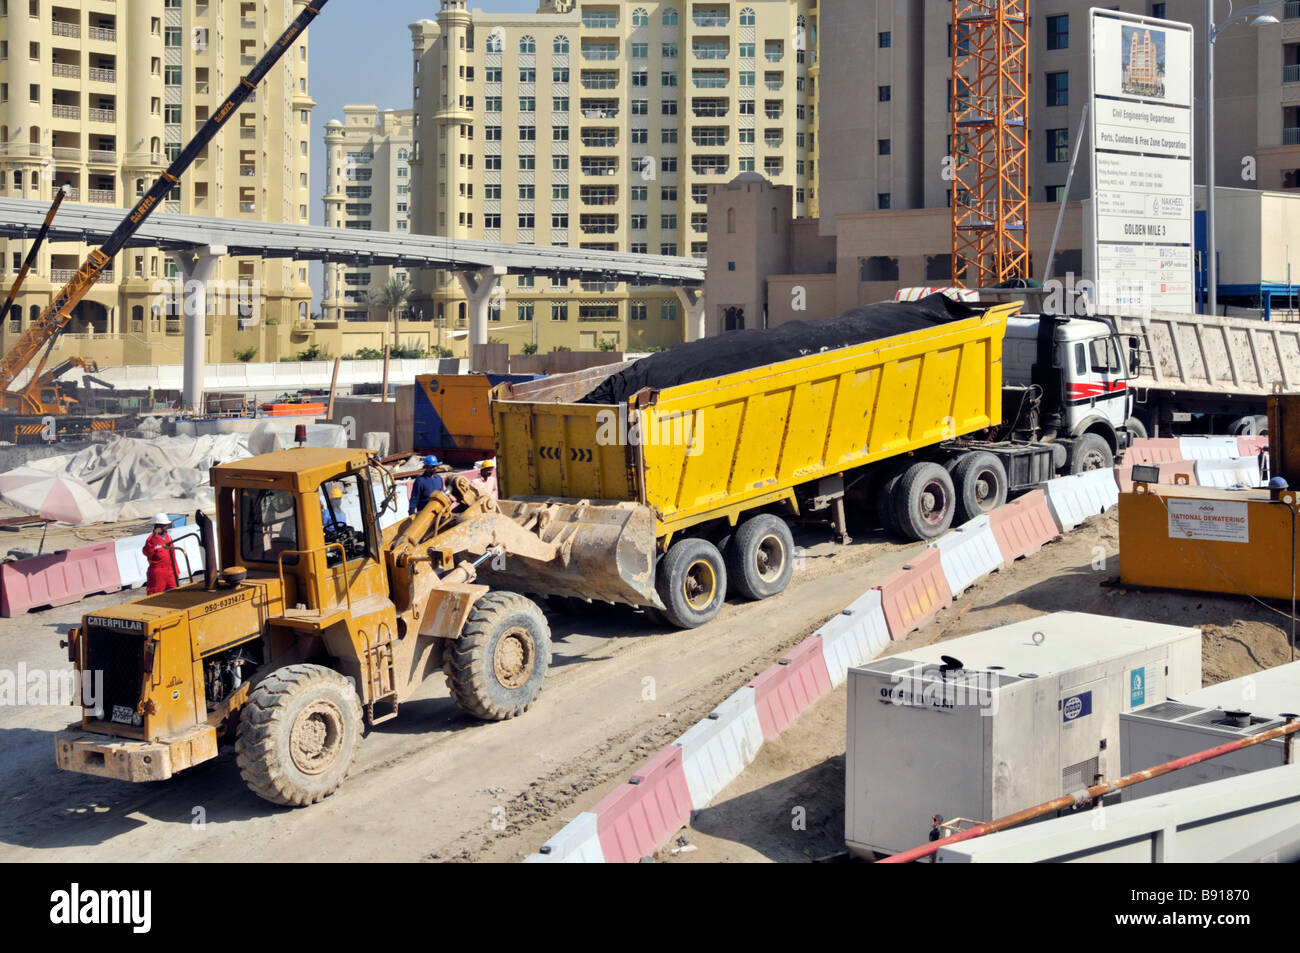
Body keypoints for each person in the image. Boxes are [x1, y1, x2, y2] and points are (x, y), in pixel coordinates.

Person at [142, 514, 179, 595]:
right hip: (158, 572)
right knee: (155, 595)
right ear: (158, 525)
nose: (166, 527)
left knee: (175, 594)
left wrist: (176, 570)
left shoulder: (168, 537)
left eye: (166, 525)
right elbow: (147, 552)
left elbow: (173, 555)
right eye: (164, 525)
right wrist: (154, 539)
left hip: (170, 571)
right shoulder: (151, 539)